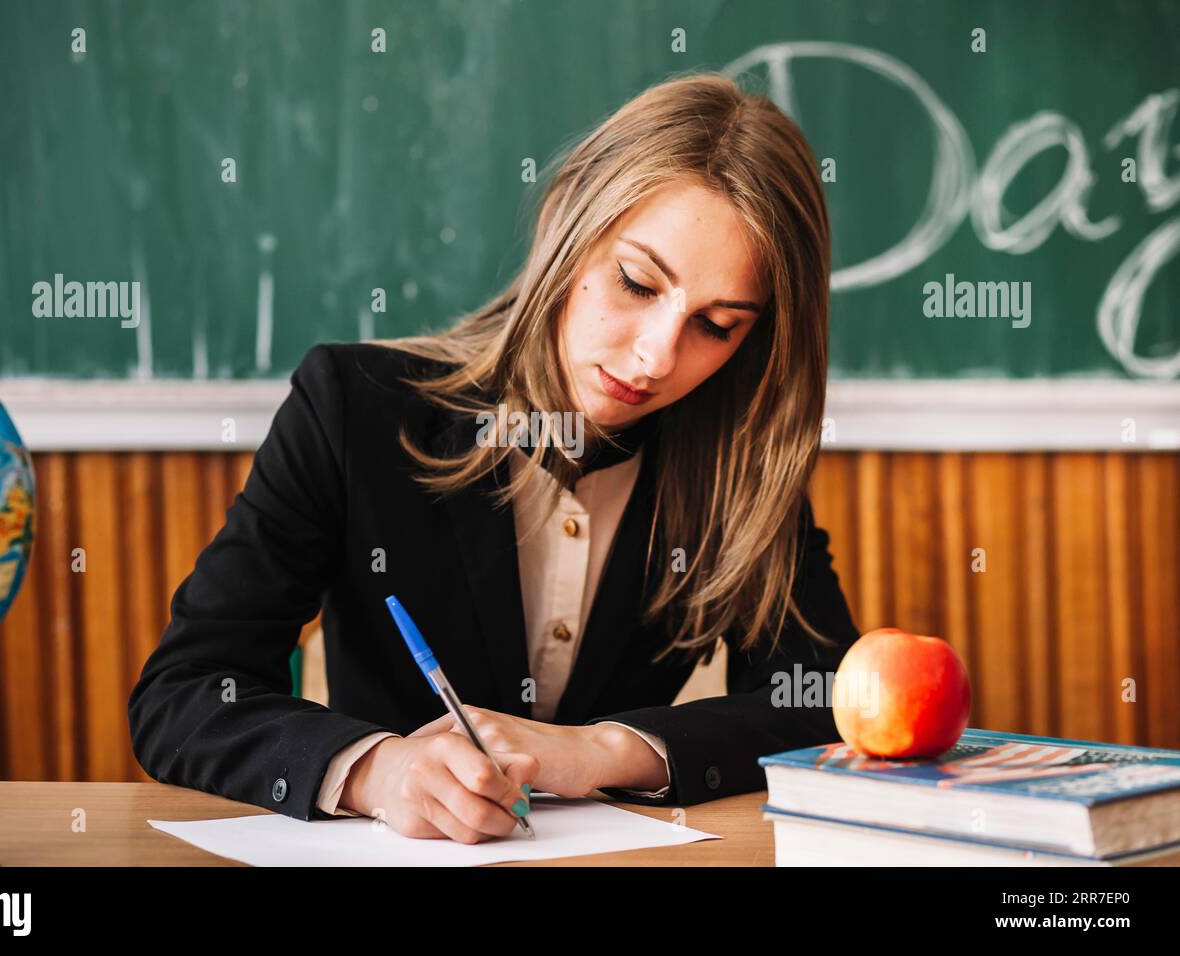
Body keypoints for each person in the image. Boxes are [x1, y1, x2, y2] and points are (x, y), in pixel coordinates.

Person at [128, 71, 860, 844]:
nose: (654, 356)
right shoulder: (351, 408)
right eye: (636, 281)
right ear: (563, 223)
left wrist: (601, 750)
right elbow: (185, 692)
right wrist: (379, 772)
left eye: (717, 324)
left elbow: (819, 701)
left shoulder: (737, 463)